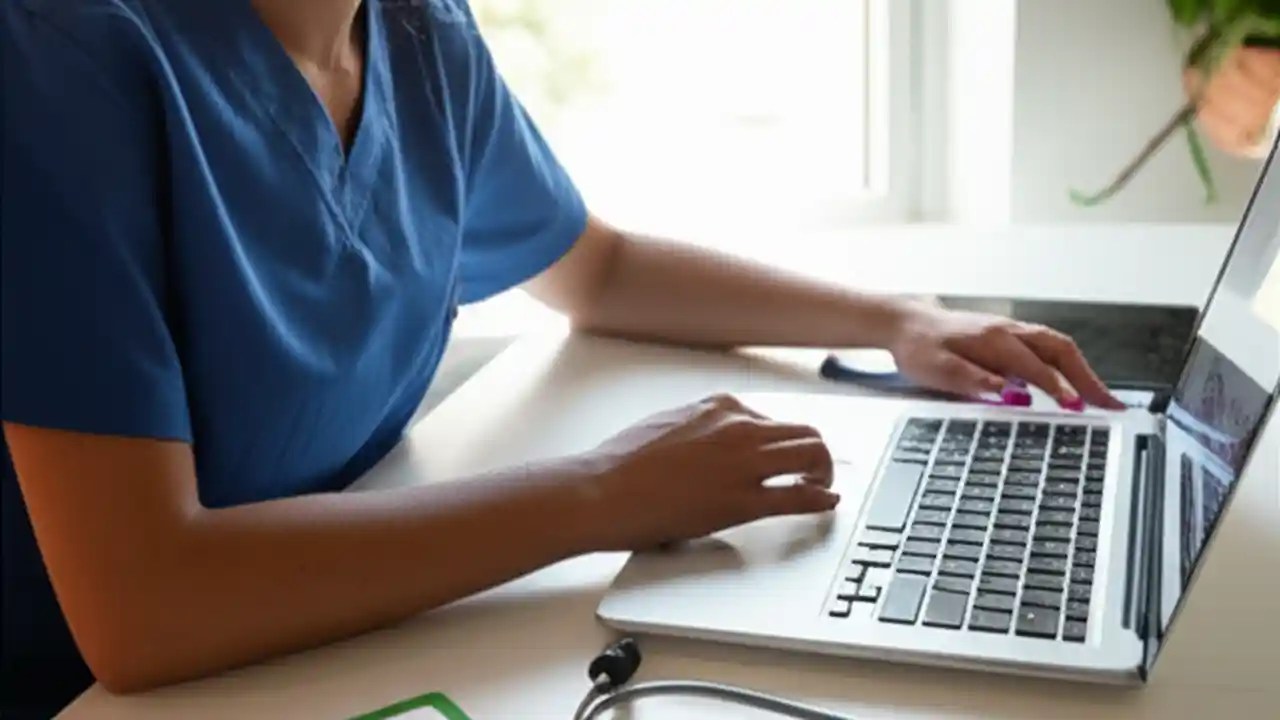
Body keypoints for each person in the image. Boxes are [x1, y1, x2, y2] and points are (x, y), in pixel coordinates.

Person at [0, 1, 1122, 716]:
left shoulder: (415, 36)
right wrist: (600, 495)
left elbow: (596, 268)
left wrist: (892, 320)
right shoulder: (59, 64)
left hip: (317, 650)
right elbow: (139, 610)